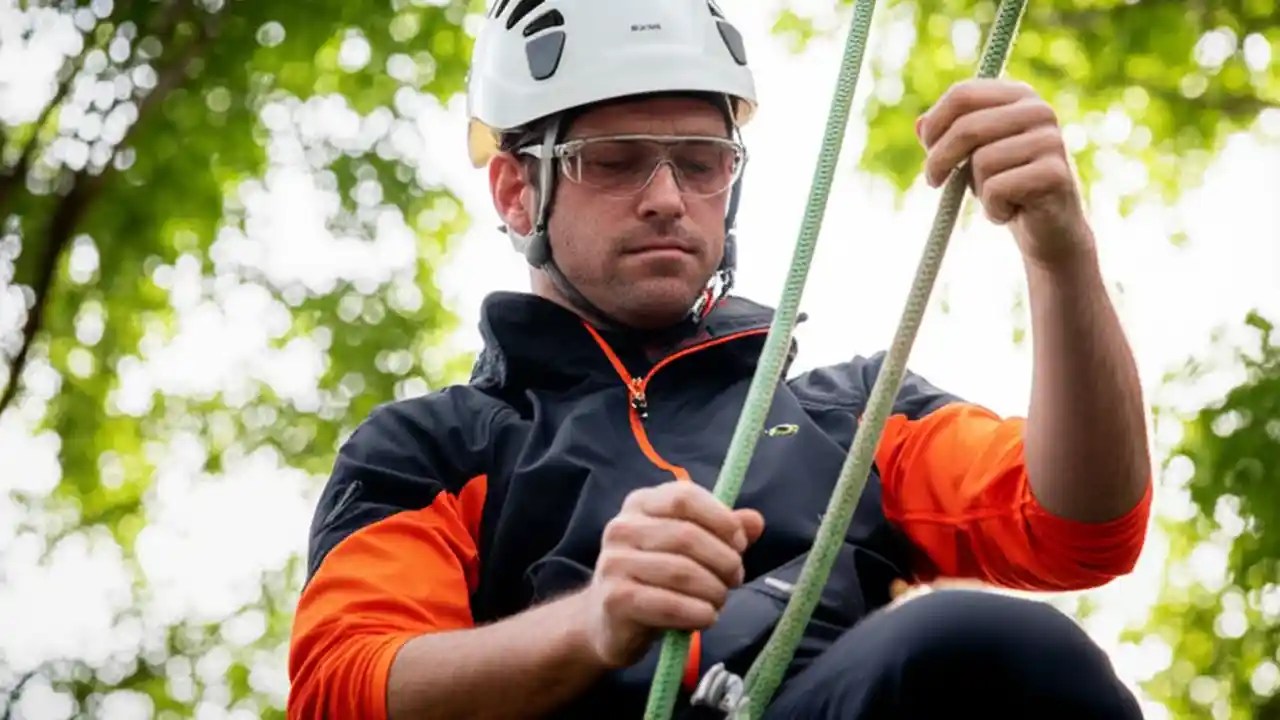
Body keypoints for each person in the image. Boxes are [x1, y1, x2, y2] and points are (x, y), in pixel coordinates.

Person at [286, 0, 1154, 717]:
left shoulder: (852, 414)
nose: (668, 199)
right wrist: (593, 621)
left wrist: (1059, 253)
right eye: (615, 162)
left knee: (1001, 656)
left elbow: (1082, 526)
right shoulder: (436, 448)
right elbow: (344, 688)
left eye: (702, 164)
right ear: (518, 190)